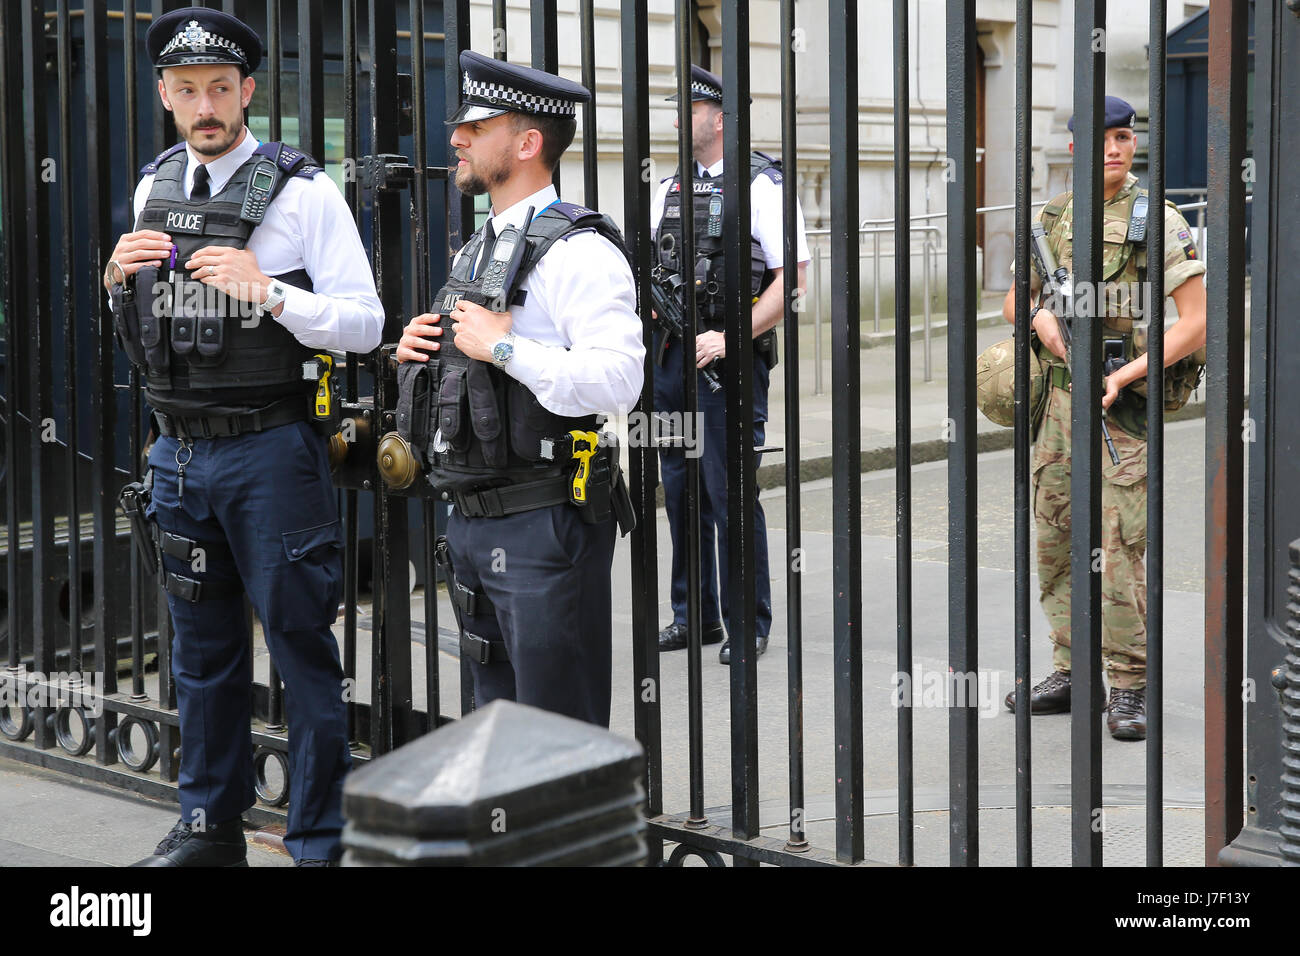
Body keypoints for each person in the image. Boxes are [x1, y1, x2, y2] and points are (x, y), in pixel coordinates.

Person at [104, 7, 383, 865]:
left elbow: (367, 326)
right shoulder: (155, 186)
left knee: (302, 649)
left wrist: (269, 292)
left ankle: (316, 842)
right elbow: (146, 323)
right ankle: (209, 826)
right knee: (199, 652)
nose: (205, 105)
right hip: (177, 452)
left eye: (220, 88)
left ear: (248, 91)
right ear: (164, 96)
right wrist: (114, 278)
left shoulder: (304, 191)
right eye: (186, 90)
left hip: (272, 450)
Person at [395, 51, 643, 728]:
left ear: (528, 143)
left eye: (476, 127)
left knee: (555, 732)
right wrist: (424, 352)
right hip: (472, 521)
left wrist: (503, 347)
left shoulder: (579, 251)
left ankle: (572, 837)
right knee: (497, 725)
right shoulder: (480, 246)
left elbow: (621, 380)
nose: (456, 139)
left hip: (543, 524)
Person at [1001, 95, 1207, 740]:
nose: (1114, 149)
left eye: (1123, 137)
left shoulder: (1160, 219)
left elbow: (1198, 321)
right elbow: (1015, 301)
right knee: (1057, 539)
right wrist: (1043, 323)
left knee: (1118, 546)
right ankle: (1070, 670)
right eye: (1101, 138)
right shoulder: (1052, 218)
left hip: (1122, 404)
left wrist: (1120, 375)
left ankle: (1129, 684)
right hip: (1059, 400)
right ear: (1074, 148)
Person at [650, 65, 809, 664]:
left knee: (728, 492)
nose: (674, 120)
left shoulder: (762, 184)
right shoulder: (671, 188)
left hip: (727, 367)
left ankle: (748, 623)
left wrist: (728, 336)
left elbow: (789, 281)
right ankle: (694, 616)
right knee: (682, 489)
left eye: (686, 110)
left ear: (719, 118)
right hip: (671, 363)